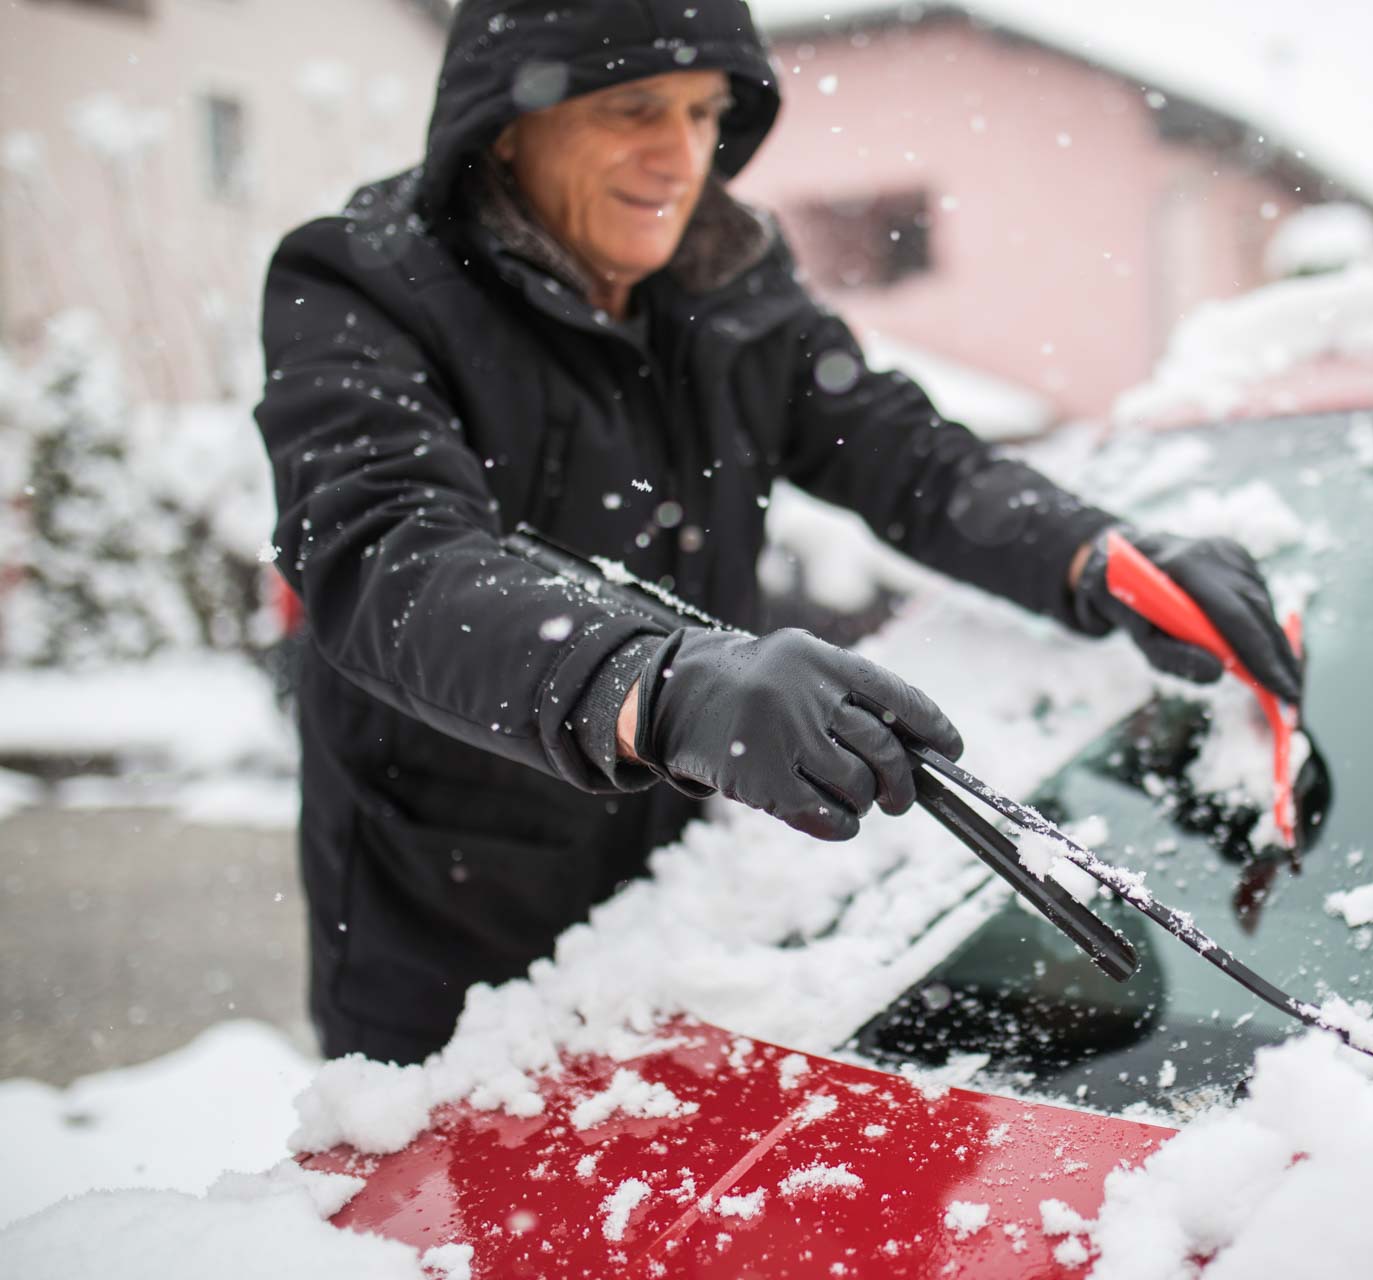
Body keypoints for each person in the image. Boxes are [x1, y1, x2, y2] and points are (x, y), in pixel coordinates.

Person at [255, 0, 1302, 1065]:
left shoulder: (732, 281)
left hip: (688, 902)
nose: (680, 155)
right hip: (449, 921)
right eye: (634, 109)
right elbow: (387, 553)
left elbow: (906, 453)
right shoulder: (362, 284)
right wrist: (659, 685)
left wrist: (1098, 555)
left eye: (706, 112)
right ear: (508, 120)